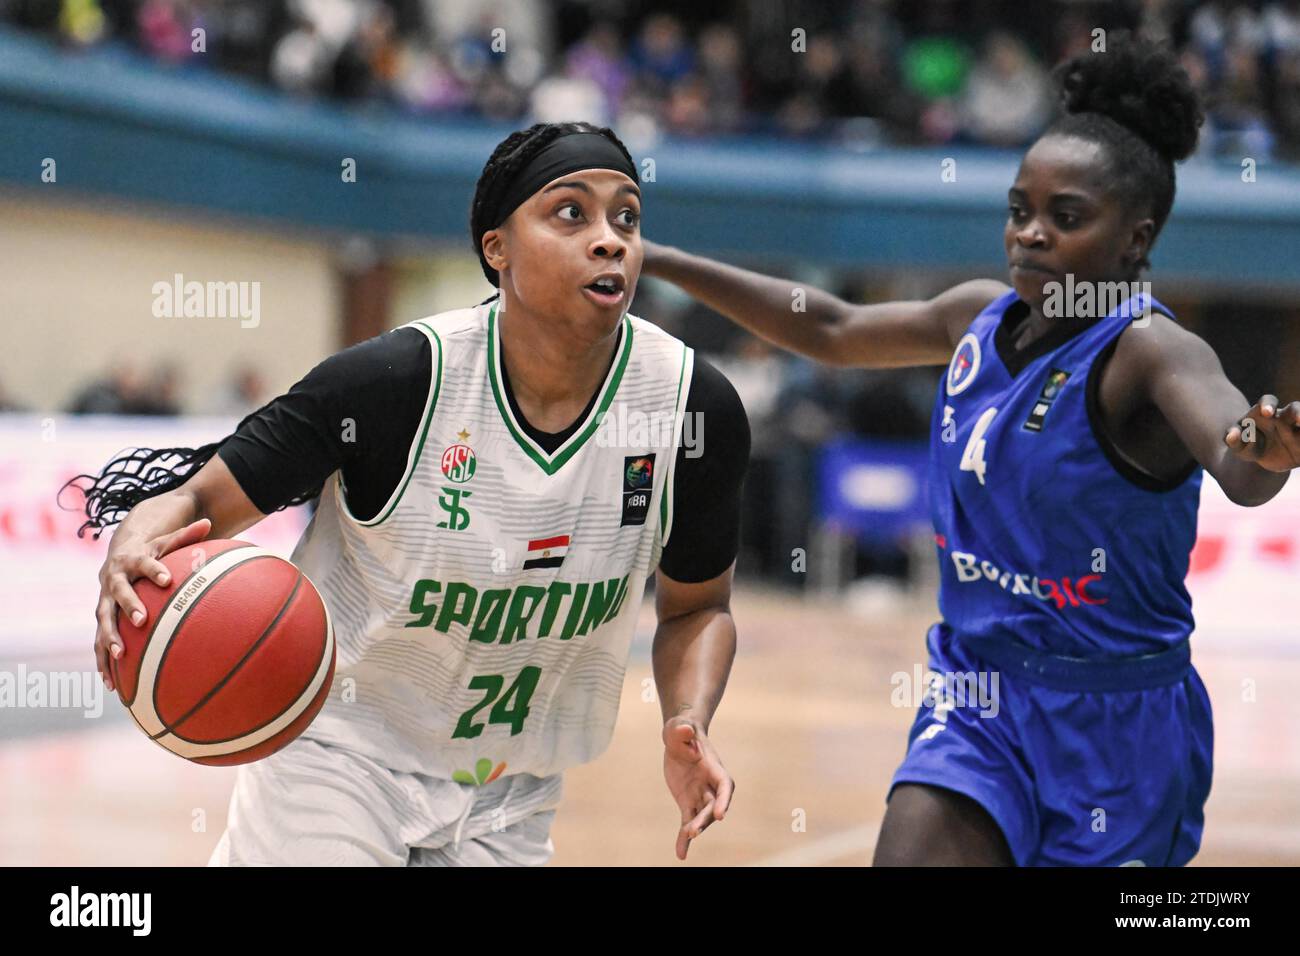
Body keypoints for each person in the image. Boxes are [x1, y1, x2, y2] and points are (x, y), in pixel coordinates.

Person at [641, 35, 1300, 866]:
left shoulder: (1153, 353)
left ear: (1135, 239)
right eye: (1019, 209)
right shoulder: (974, 317)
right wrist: (658, 261)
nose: (1029, 234)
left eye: (1066, 218)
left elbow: (1238, 465)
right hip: (975, 693)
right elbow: (833, 328)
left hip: (1118, 728)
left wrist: (1269, 454)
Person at [75, 121, 751, 866]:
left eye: (627, 217)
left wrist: (687, 718)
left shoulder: (690, 409)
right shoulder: (397, 383)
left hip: (512, 788)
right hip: (340, 757)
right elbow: (199, 500)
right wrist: (136, 538)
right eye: (571, 213)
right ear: (498, 249)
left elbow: (697, 607)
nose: (610, 239)